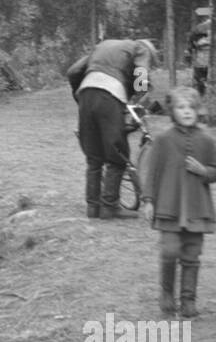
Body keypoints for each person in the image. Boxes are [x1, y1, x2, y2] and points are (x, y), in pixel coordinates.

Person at [140, 87, 216, 317]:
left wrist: (203, 170)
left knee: (192, 253)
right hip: (169, 206)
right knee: (170, 250)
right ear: (172, 111)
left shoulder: (206, 141)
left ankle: (188, 300)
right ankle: (167, 293)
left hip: (197, 207)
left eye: (191, 107)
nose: (186, 112)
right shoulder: (164, 140)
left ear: (198, 111)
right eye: (181, 107)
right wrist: (149, 200)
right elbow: (153, 172)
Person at [66, 38, 156, 219]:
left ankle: (93, 207)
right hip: (110, 95)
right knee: (117, 154)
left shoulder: (104, 46)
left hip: (86, 93)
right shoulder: (141, 49)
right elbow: (140, 75)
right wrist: (138, 99)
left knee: (93, 157)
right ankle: (109, 206)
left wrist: (80, 96)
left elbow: (73, 71)